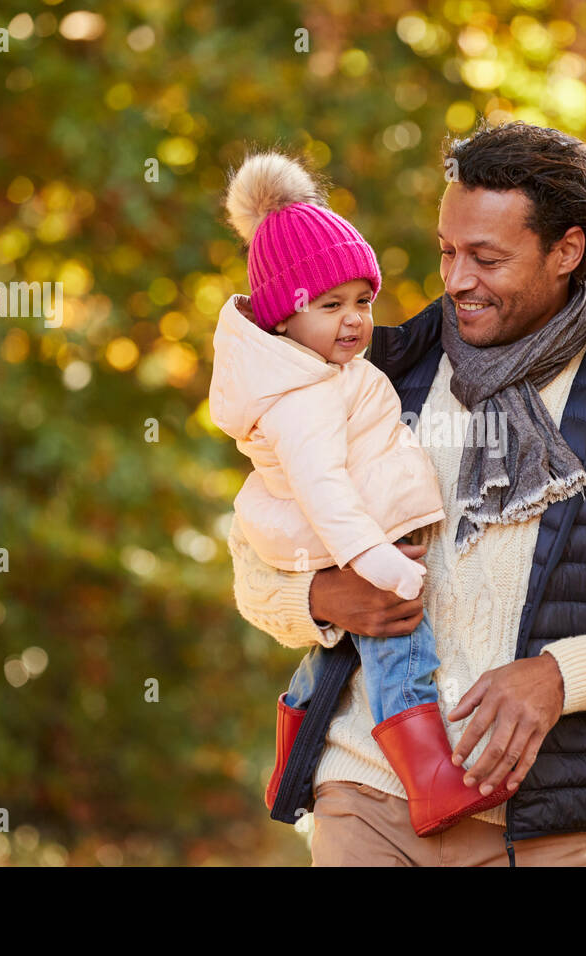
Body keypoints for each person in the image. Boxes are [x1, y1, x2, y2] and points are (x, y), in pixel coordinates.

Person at [225, 121, 586, 866]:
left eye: (487, 257)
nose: (456, 279)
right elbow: (253, 559)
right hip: (365, 792)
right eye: (447, 251)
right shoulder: (383, 369)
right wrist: (320, 598)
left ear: (566, 251)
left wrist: (560, 678)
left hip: (542, 819)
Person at [208, 151, 514, 837]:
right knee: (399, 645)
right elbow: (325, 495)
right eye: (329, 305)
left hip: (354, 534)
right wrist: (386, 567)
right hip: (352, 539)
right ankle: (430, 776)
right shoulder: (303, 398)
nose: (353, 321)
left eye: (362, 301)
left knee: (343, 650)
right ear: (284, 317)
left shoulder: (318, 370)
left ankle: (294, 744)